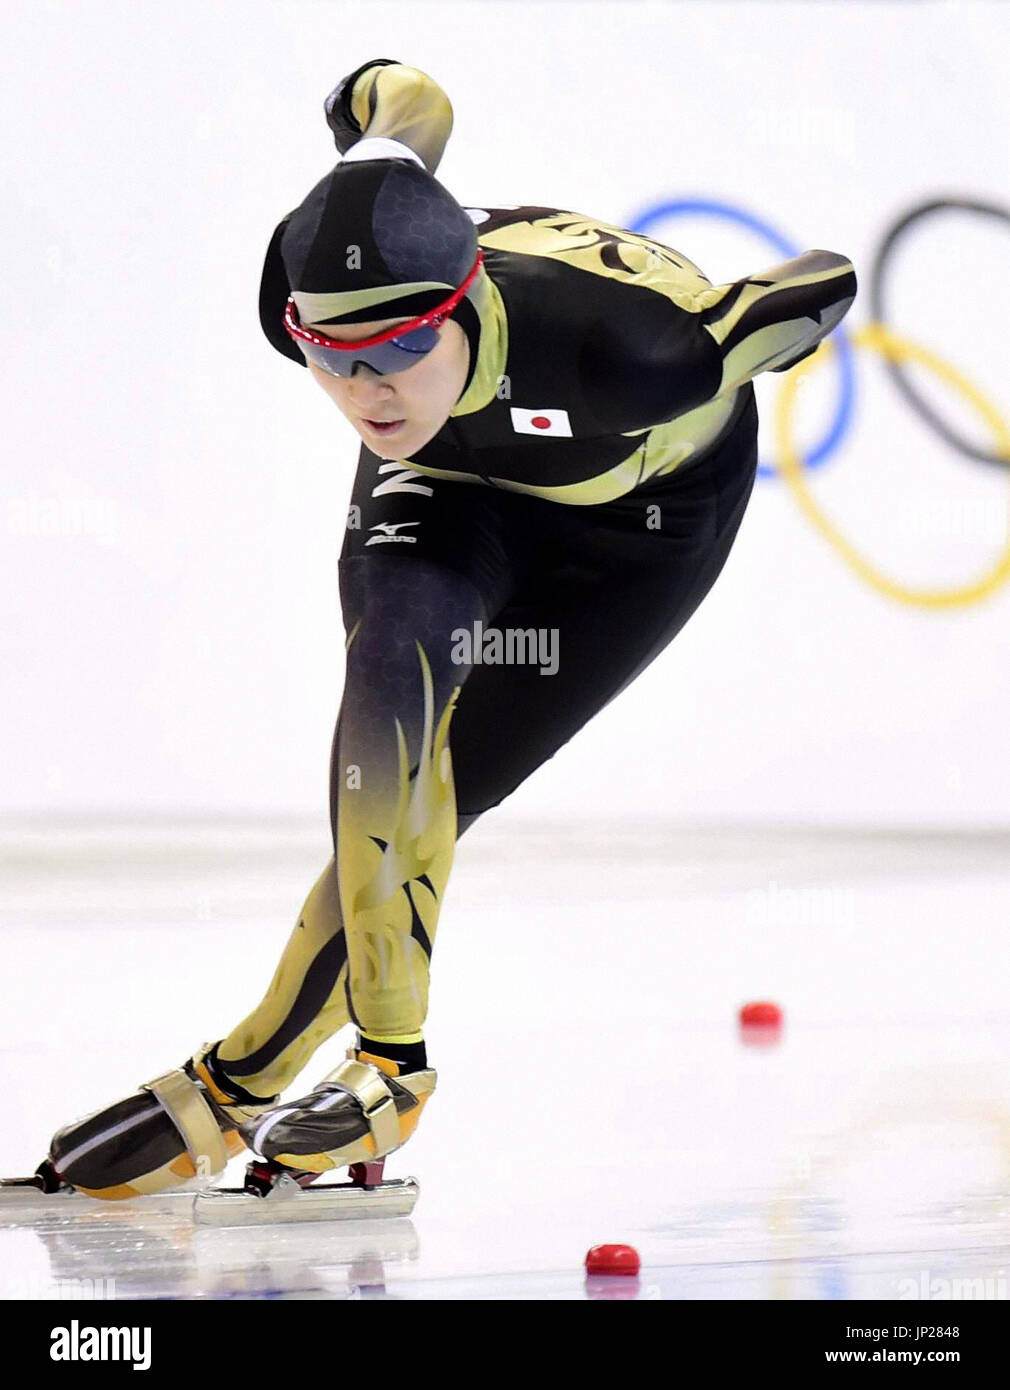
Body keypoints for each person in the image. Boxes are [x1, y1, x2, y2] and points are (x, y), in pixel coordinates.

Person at [42, 59, 856, 1198]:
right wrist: (372, 100)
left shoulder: (633, 355)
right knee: (388, 702)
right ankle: (378, 1068)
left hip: (638, 529)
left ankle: (251, 1073)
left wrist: (762, 315)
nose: (363, 390)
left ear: (463, 306)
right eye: (328, 356)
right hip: (444, 488)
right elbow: (399, 106)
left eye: (395, 351)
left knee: (449, 784)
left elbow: (820, 281)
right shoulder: (319, 310)